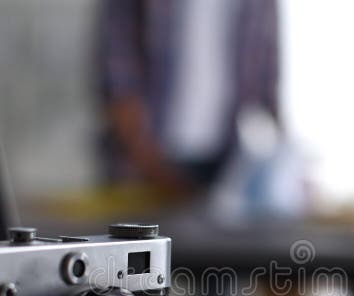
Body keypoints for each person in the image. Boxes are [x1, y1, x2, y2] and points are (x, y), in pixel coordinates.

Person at [99, 0, 279, 196]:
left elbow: (266, 73)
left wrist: (283, 163)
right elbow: (118, 78)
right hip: (146, 161)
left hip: (226, 160)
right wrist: (147, 159)